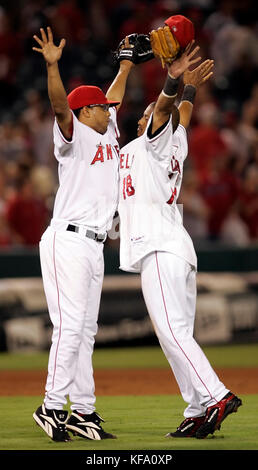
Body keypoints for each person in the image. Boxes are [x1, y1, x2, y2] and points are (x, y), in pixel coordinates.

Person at [118, 44, 242, 439]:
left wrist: (172, 80)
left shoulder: (151, 143)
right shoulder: (175, 142)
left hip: (159, 245)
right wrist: (189, 90)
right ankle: (198, 408)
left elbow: (166, 109)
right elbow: (180, 113)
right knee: (175, 334)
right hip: (176, 247)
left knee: (172, 332)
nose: (144, 117)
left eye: (148, 116)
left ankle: (216, 394)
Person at [32, 26, 135, 442]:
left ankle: (84, 411)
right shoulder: (72, 134)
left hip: (94, 245)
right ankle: (52, 405)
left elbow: (116, 93)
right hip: (66, 240)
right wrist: (53, 68)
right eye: (100, 107)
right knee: (70, 327)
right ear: (85, 111)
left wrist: (126, 64)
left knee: (86, 331)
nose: (109, 111)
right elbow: (60, 106)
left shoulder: (107, 128)